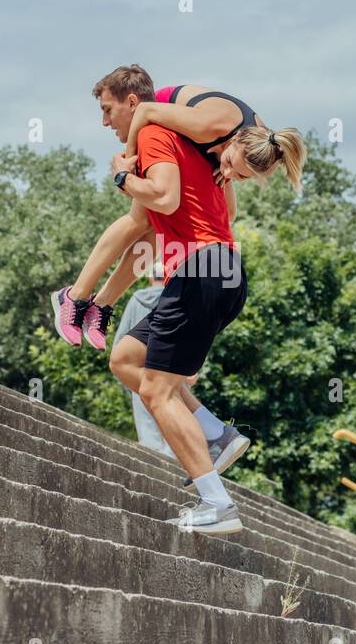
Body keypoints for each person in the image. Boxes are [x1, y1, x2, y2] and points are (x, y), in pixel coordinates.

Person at [51, 64, 304, 351]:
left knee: (165, 228)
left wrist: (227, 171)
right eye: (232, 165)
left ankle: (102, 304)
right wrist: (127, 168)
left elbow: (230, 213)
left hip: (202, 142)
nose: (231, 174)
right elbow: (145, 112)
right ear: (234, 142)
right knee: (140, 219)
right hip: (161, 114)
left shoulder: (261, 148)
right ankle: (73, 296)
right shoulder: (211, 127)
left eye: (242, 176)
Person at [105, 98, 254, 535]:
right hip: (221, 270)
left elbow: (163, 200)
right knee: (126, 359)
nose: (105, 122)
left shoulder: (154, 137)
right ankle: (216, 433)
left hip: (201, 270)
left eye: (109, 111)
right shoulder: (200, 154)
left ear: (131, 105)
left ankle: (216, 502)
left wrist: (121, 173)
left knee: (157, 391)